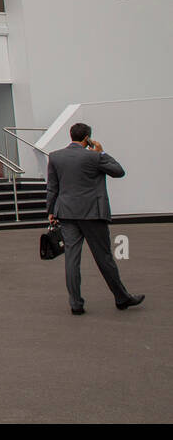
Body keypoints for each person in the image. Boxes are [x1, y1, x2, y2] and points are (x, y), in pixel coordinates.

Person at [45, 123, 143, 315]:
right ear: (87, 138)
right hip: (92, 214)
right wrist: (103, 152)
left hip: (66, 213)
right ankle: (121, 297)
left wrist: (51, 210)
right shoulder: (95, 156)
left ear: (71, 135)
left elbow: (52, 187)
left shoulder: (55, 157)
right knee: (103, 257)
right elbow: (118, 171)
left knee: (72, 259)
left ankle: (76, 304)